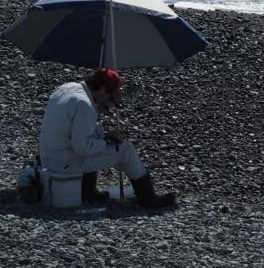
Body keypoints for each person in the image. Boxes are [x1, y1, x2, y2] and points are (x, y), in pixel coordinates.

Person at [38, 67, 176, 209]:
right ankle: (149, 198)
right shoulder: (84, 105)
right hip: (63, 165)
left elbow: (75, 134)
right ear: (103, 89)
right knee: (126, 150)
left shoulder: (66, 88)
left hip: (49, 159)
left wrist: (102, 137)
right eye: (110, 96)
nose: (107, 101)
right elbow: (82, 148)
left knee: (96, 137)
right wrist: (106, 141)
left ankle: (88, 192)